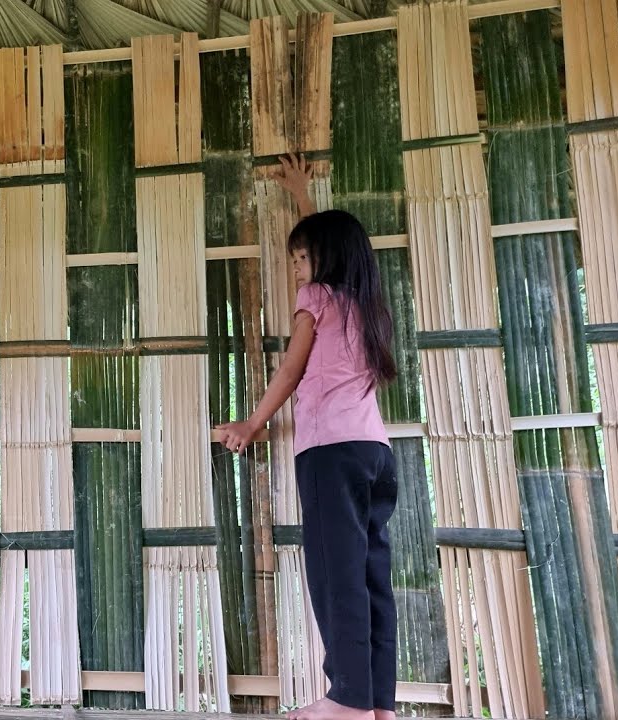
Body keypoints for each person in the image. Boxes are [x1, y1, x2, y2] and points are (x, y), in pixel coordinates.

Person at [216, 155, 399, 720]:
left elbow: (290, 370)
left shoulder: (315, 299)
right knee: (370, 577)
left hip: (329, 454)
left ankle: (345, 701)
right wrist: (303, 196)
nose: (296, 268)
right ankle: (378, 704)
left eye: (301, 258)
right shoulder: (365, 303)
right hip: (375, 454)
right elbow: (331, 246)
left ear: (320, 261)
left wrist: (253, 422)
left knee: (332, 572)